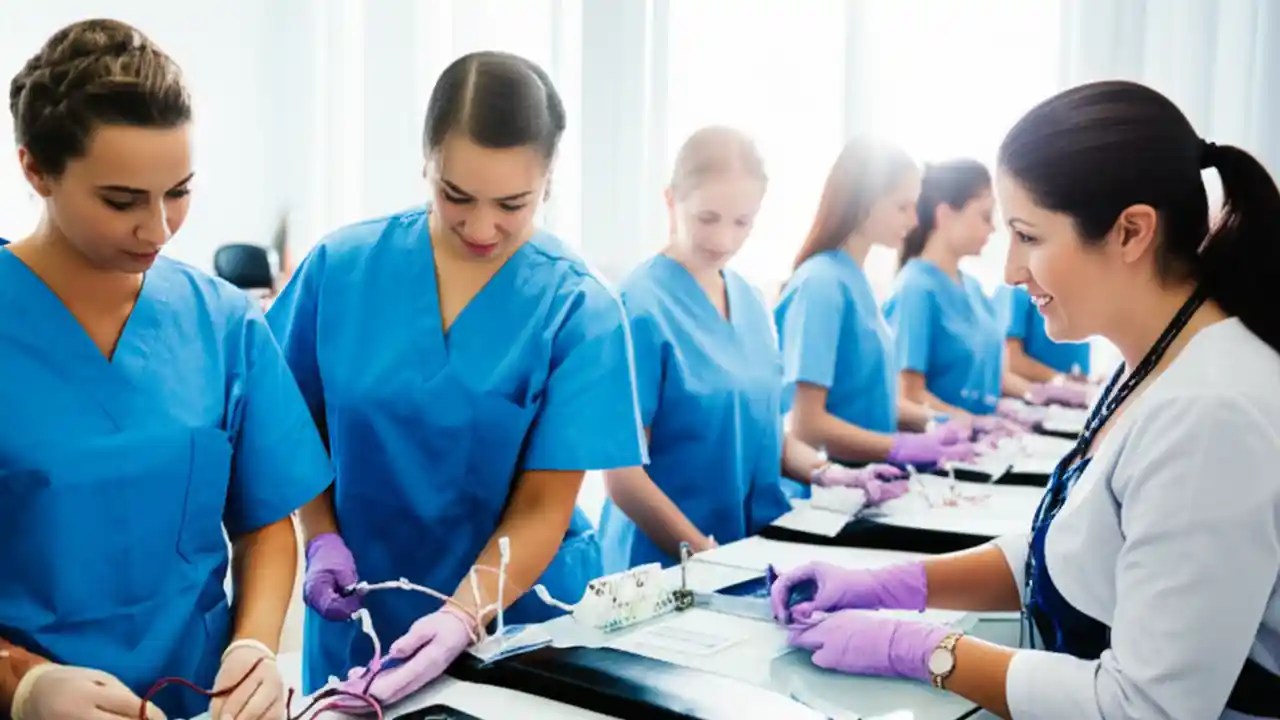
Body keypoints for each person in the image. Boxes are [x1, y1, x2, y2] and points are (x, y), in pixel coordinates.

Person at [769, 80, 1280, 719]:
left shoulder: (1213, 414)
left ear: (1130, 232)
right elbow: (1072, 544)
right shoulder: (1162, 361)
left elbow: (1143, 709)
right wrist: (894, 584)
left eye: (1028, 236)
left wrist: (926, 650)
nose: (1011, 270)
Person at [267, 51, 647, 700]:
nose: (481, 225)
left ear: (549, 181)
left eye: (512, 204)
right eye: (456, 196)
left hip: (516, 620)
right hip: (357, 611)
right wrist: (321, 537)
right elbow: (291, 432)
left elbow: (543, 505)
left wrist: (460, 616)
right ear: (426, 160)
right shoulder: (340, 269)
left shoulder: (579, 308)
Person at [0, 19, 330, 720]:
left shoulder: (220, 322)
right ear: (34, 169)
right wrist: (19, 683)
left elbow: (266, 519)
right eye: (121, 201)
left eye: (178, 191)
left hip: (192, 701)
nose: (158, 229)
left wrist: (255, 648)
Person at [597, 128, 909, 572]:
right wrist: (704, 556)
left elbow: (758, 429)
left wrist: (831, 474)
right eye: (707, 218)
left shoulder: (747, 299)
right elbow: (623, 476)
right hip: (662, 567)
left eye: (741, 222)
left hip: (745, 553)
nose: (724, 240)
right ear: (671, 200)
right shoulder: (640, 305)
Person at [775, 137, 977, 471]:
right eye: (902, 207)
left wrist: (937, 420)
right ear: (863, 203)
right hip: (825, 494)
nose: (914, 221)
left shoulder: (856, 281)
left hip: (866, 483)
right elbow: (807, 425)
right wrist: (899, 446)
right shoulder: (821, 284)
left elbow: (866, 399)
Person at [884, 160, 1086, 417]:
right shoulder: (915, 289)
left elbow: (994, 380)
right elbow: (908, 394)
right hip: (941, 449)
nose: (992, 228)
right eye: (984, 216)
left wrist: (1041, 399)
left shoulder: (973, 289)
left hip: (982, 446)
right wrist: (961, 422)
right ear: (945, 215)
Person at [1001, 283, 1092, 383]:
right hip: (1037, 390)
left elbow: (1081, 373)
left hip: (1078, 390)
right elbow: (1013, 362)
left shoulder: (1080, 298)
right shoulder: (1020, 293)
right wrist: (1062, 381)